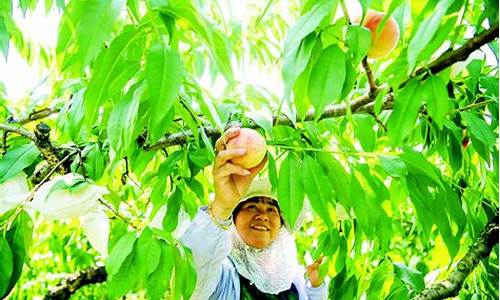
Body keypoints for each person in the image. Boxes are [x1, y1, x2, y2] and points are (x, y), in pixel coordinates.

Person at [181, 127, 329, 299]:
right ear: (234, 220)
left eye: (272, 209)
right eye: (251, 206)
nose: (262, 215)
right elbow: (194, 274)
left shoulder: (292, 279)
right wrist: (222, 206)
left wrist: (316, 286)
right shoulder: (223, 274)